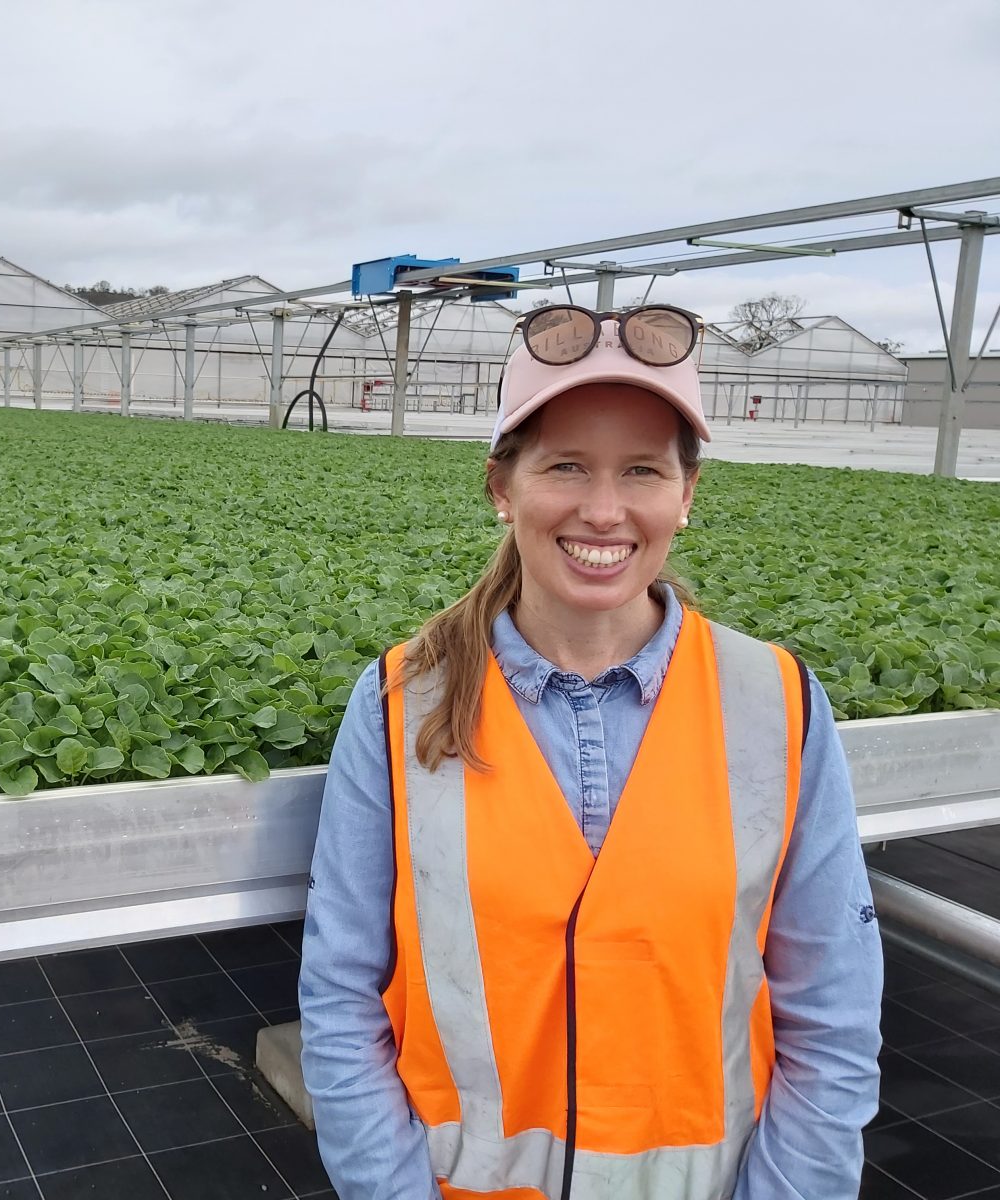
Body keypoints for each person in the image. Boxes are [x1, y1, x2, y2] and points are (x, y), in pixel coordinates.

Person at [298, 305, 882, 1200]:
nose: (603, 510)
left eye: (642, 470)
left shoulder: (777, 703)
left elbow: (831, 1017)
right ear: (502, 484)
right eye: (565, 465)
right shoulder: (401, 702)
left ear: (686, 495)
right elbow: (341, 1000)